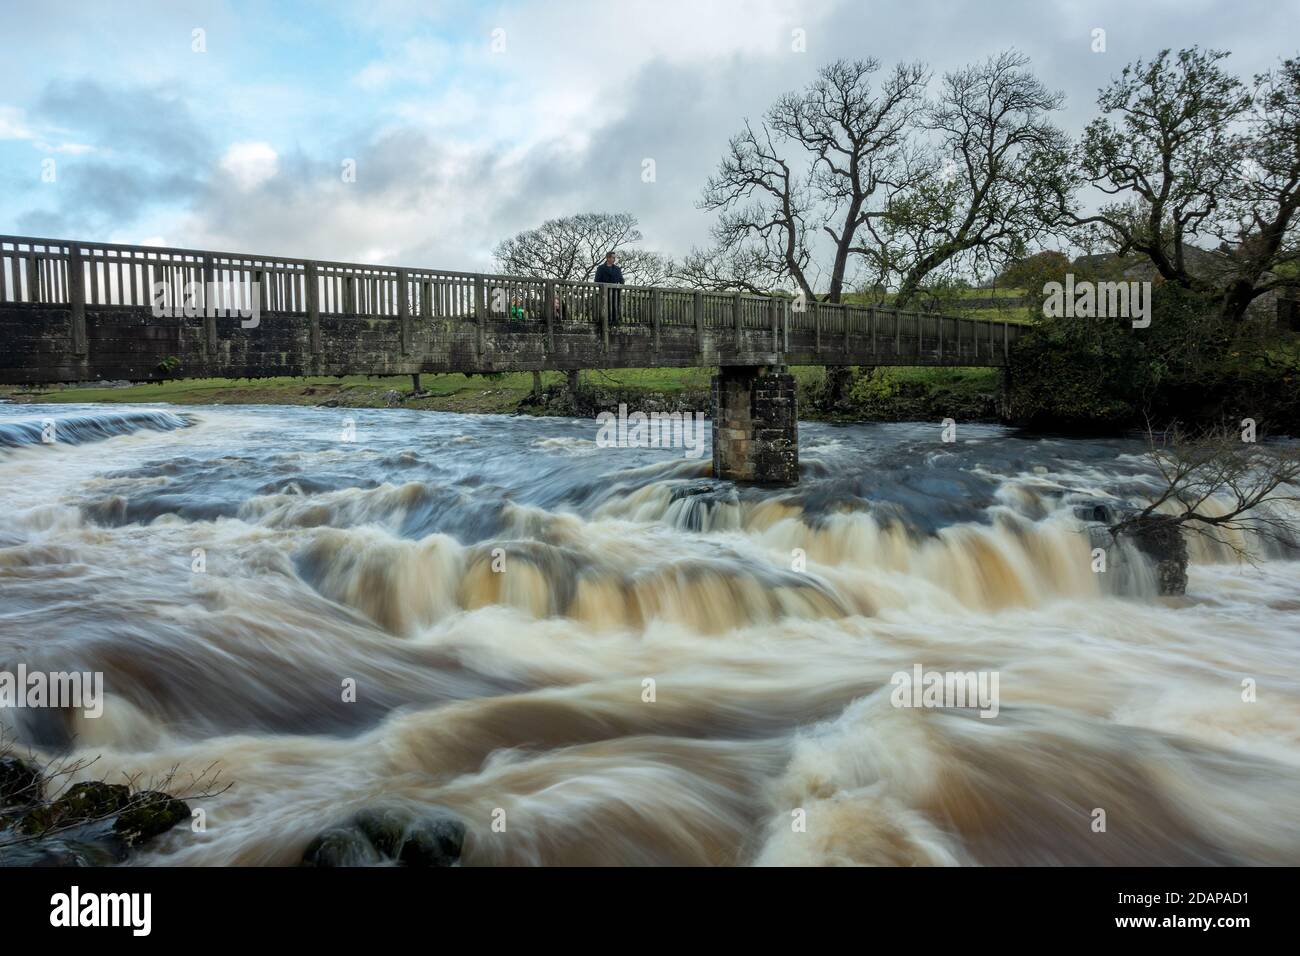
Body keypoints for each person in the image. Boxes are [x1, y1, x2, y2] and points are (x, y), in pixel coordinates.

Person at [593, 251, 624, 324]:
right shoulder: (600, 268)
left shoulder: (617, 269)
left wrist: (619, 287)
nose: (614, 259)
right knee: (605, 308)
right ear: (608, 258)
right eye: (613, 257)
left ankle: (615, 322)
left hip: (615, 293)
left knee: (615, 307)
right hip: (604, 293)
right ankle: (604, 322)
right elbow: (596, 280)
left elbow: (621, 280)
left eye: (614, 258)